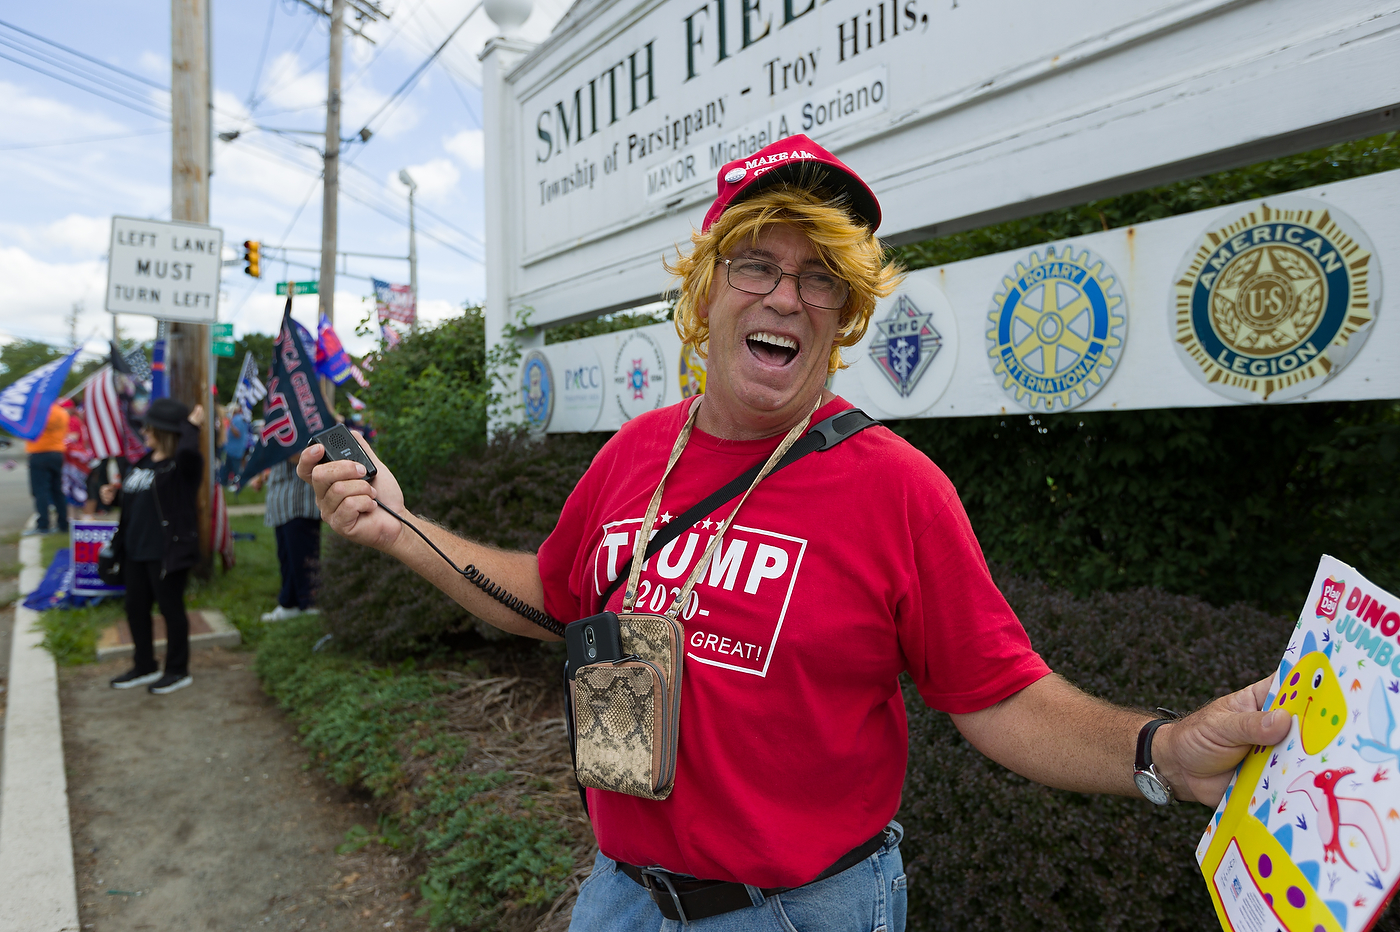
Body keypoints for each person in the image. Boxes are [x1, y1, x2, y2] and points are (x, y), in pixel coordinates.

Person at [302, 135, 1291, 930]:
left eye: (820, 277)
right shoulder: (636, 452)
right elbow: (551, 596)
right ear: (706, 290)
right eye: (756, 263)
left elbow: (998, 695)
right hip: (619, 892)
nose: (785, 294)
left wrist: (1157, 749)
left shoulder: (895, 488)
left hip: (800, 909)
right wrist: (398, 528)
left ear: (845, 313)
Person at [101, 398, 205, 695]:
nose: (144, 431)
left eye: (150, 427)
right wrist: (115, 495)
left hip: (166, 552)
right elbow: (139, 500)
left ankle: (176, 670)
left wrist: (190, 426)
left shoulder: (183, 465)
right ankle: (144, 665)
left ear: (164, 431)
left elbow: (186, 450)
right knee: (135, 609)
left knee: (171, 610)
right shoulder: (143, 462)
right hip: (134, 550)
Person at [252, 453, 322, 622]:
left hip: (299, 500)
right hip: (282, 499)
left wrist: (283, 449)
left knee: (303, 556)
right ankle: (290, 603)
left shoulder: (310, 426)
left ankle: (310, 604)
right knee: (286, 556)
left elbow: (311, 455)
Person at [23, 399, 71, 537]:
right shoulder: (62, 413)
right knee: (57, 490)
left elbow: (27, 429)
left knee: (40, 491)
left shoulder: (38, 413)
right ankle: (63, 523)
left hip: (39, 452)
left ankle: (43, 524)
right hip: (57, 452)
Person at [224, 406, 251, 488]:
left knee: (236, 470)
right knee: (227, 469)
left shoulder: (238, 420)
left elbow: (237, 434)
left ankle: (240, 484)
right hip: (231, 449)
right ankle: (225, 483)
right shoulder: (237, 419)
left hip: (235, 450)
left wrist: (230, 424)